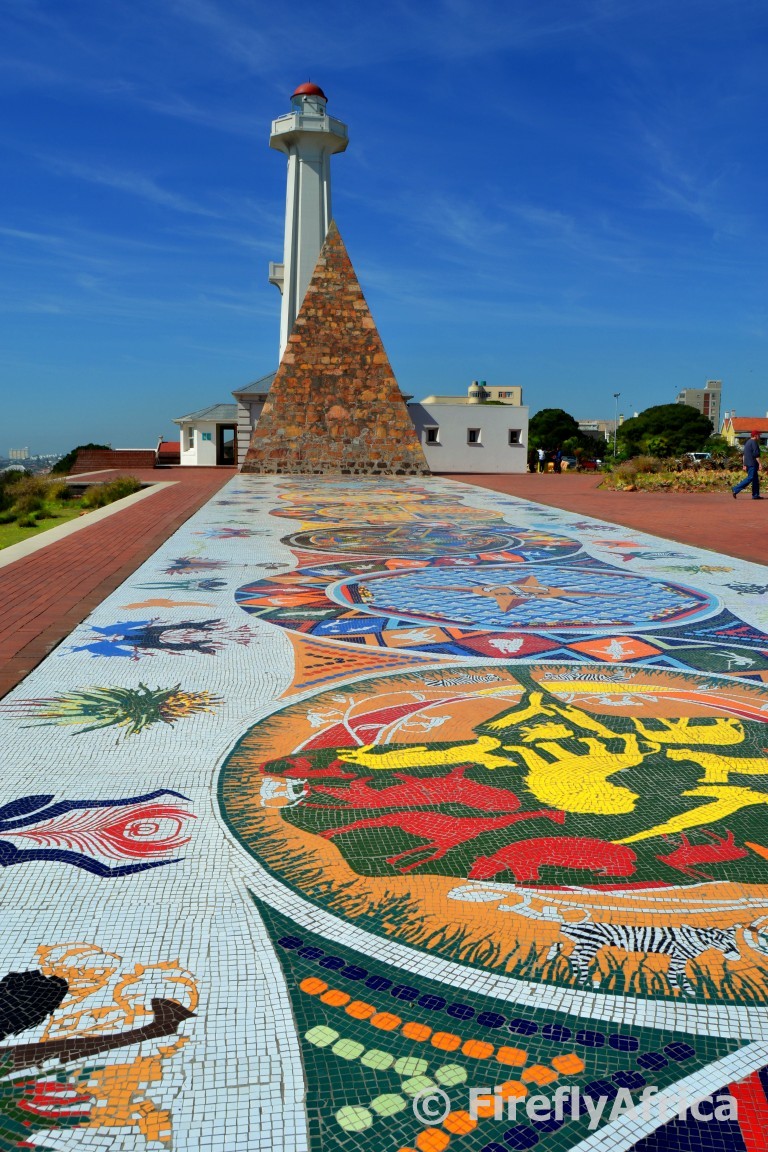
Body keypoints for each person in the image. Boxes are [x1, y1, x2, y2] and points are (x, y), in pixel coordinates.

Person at [732, 431, 762, 500]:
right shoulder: (754, 443)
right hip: (752, 464)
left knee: (755, 480)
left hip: (748, 464)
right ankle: (735, 489)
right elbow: (756, 455)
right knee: (750, 478)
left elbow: (744, 455)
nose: (759, 436)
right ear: (755, 435)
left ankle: (755, 495)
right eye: (758, 435)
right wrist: (760, 464)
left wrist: (744, 465)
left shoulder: (747, 442)